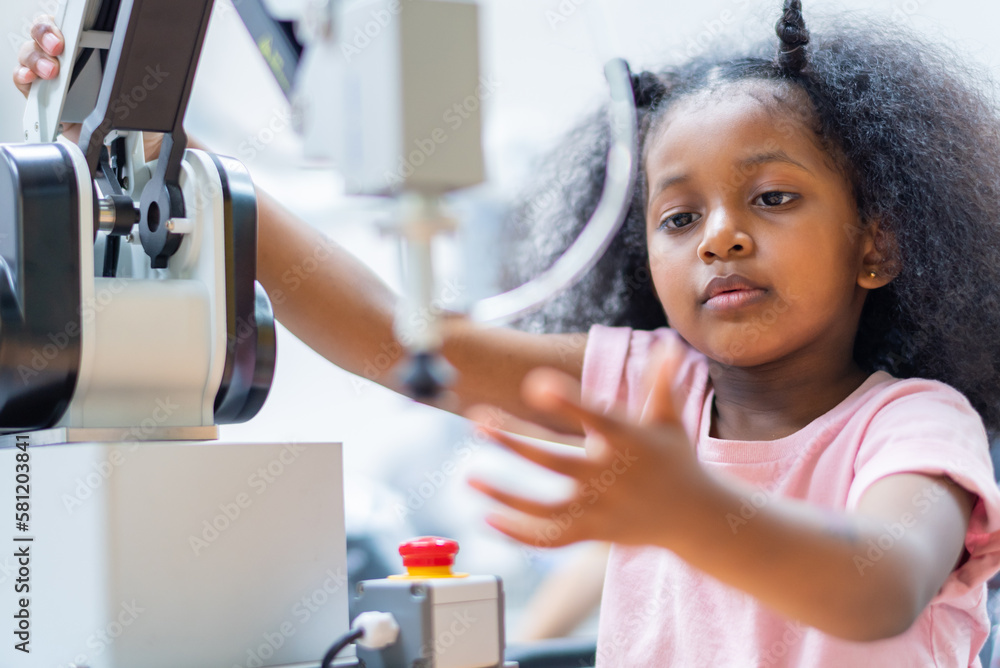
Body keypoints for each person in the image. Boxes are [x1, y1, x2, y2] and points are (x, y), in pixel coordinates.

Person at [15, 0, 1000, 664]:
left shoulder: (912, 424)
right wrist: (168, 147)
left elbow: (877, 588)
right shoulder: (646, 382)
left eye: (772, 196)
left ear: (876, 244)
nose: (722, 235)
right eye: (677, 217)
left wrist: (688, 507)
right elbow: (383, 334)